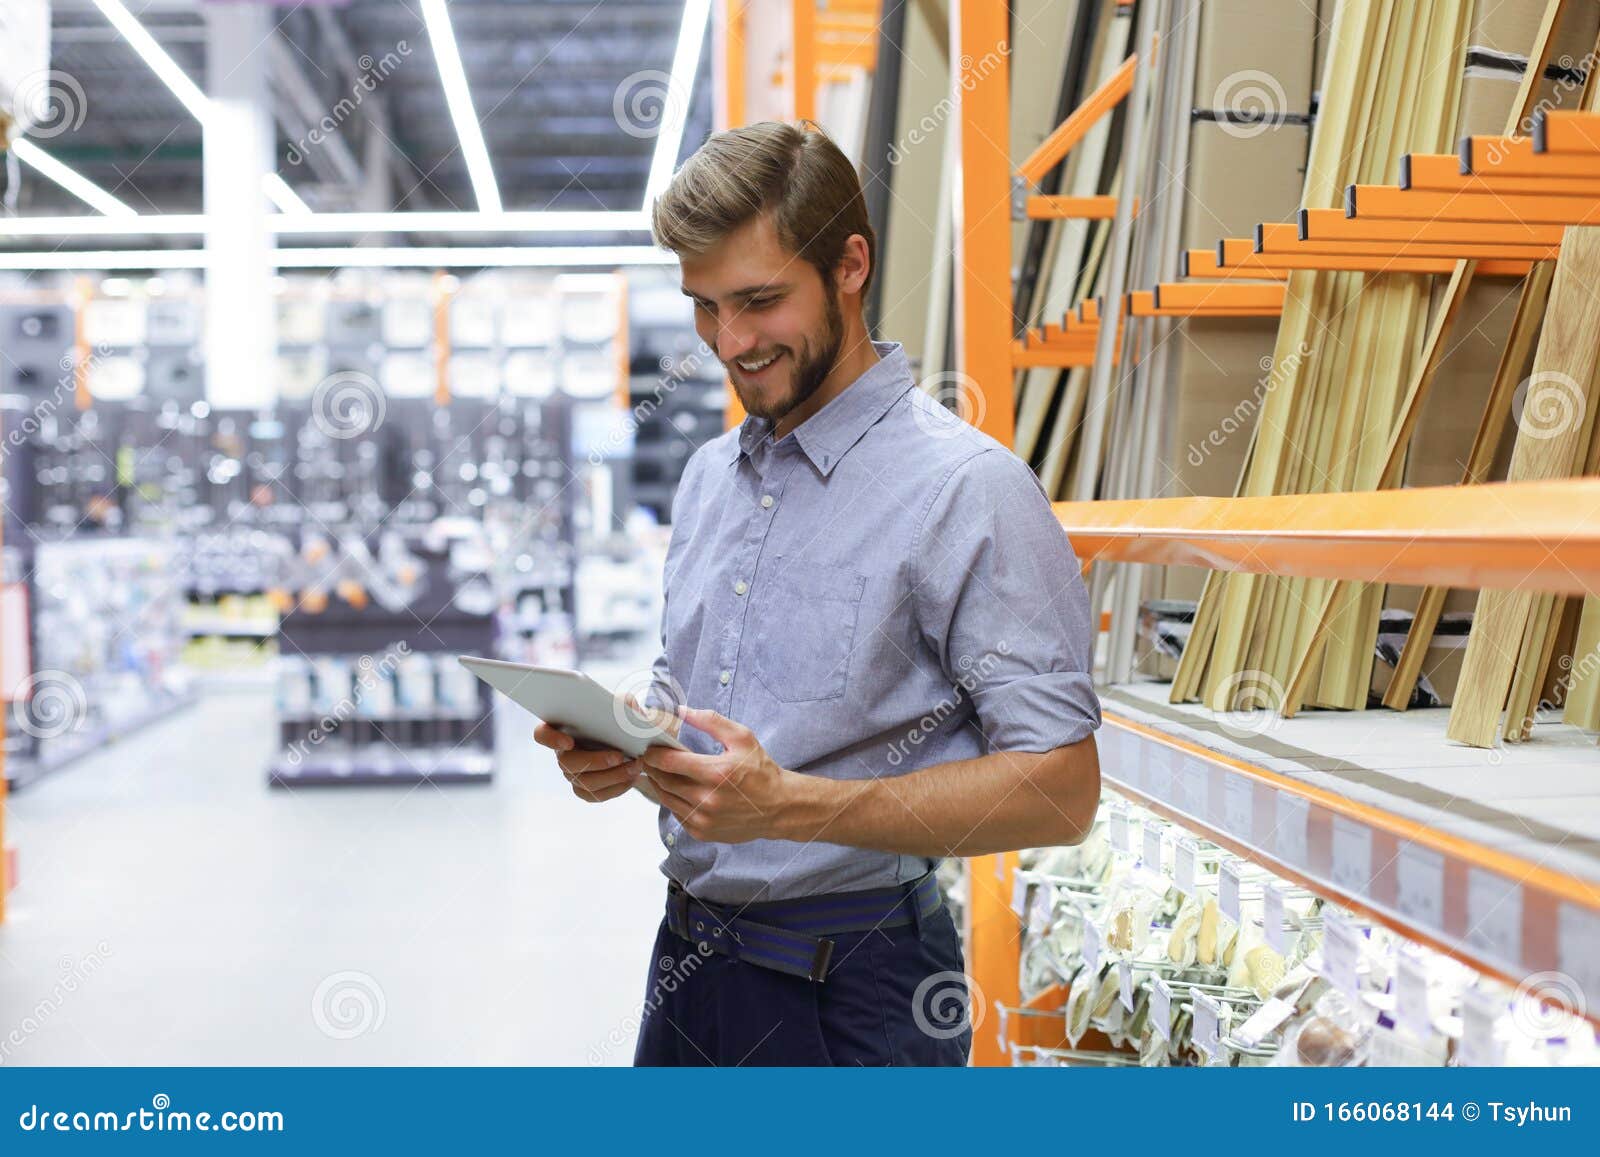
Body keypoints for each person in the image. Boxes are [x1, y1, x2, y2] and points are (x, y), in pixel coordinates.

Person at [534, 121, 1101, 1066]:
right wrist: (635, 749)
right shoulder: (712, 477)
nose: (731, 342)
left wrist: (790, 806)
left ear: (851, 264)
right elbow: (705, 704)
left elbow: (1061, 787)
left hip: (858, 987)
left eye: (759, 300)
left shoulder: (967, 489)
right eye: (706, 307)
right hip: (691, 962)